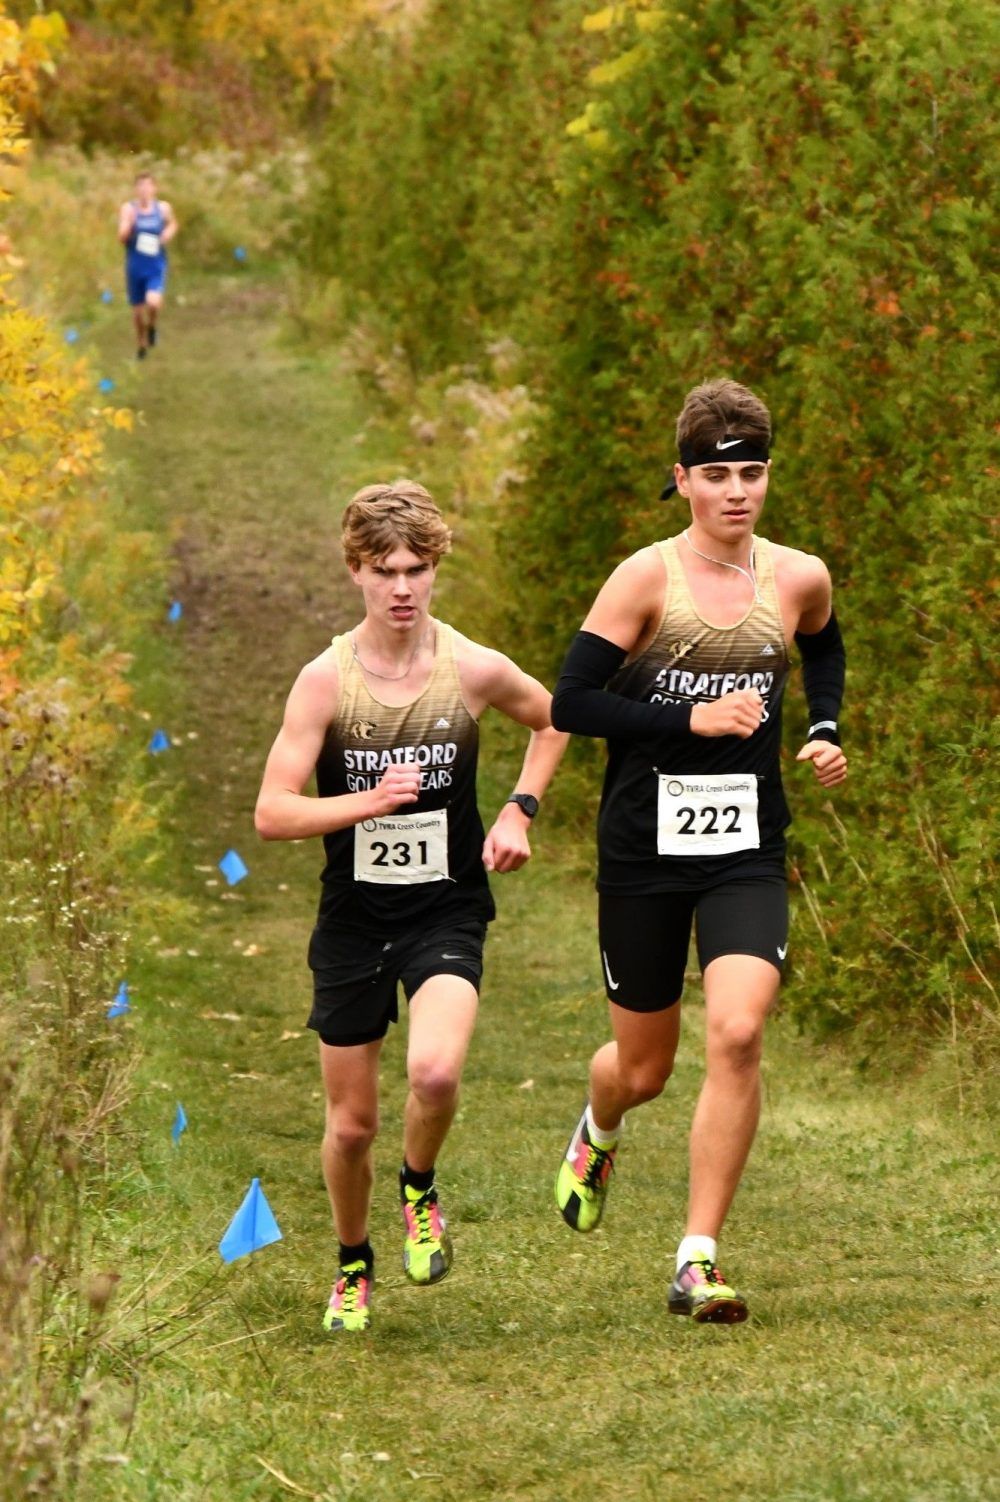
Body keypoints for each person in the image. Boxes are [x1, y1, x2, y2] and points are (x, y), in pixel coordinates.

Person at [550, 378, 847, 1323]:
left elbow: (825, 645)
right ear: (682, 480)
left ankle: (696, 1257)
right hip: (643, 848)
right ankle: (599, 1126)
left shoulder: (797, 576)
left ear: (768, 477)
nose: (736, 492)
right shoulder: (646, 580)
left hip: (745, 847)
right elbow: (573, 703)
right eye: (716, 474)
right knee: (643, 1069)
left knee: (740, 1031)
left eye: (751, 473)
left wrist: (826, 723)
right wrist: (692, 713)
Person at [254, 481, 566, 1334]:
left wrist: (518, 809)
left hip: (446, 910)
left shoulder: (472, 668)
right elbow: (272, 811)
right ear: (354, 569)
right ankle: (353, 1263)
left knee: (434, 1072)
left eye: (418, 569)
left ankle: (419, 1187)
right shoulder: (325, 682)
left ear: (437, 569)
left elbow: (555, 719)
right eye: (384, 569)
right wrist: (364, 804)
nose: (402, 587)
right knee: (350, 1127)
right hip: (354, 918)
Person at [118, 171, 177, 359]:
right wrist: (128, 228)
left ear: (154, 188)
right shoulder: (129, 209)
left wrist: (168, 232)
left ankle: (152, 326)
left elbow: (173, 224)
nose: (144, 190)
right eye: (140, 186)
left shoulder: (163, 208)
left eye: (148, 186)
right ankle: (141, 342)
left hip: (155, 264)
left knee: (153, 303)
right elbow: (121, 237)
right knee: (137, 312)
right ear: (136, 189)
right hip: (135, 265)